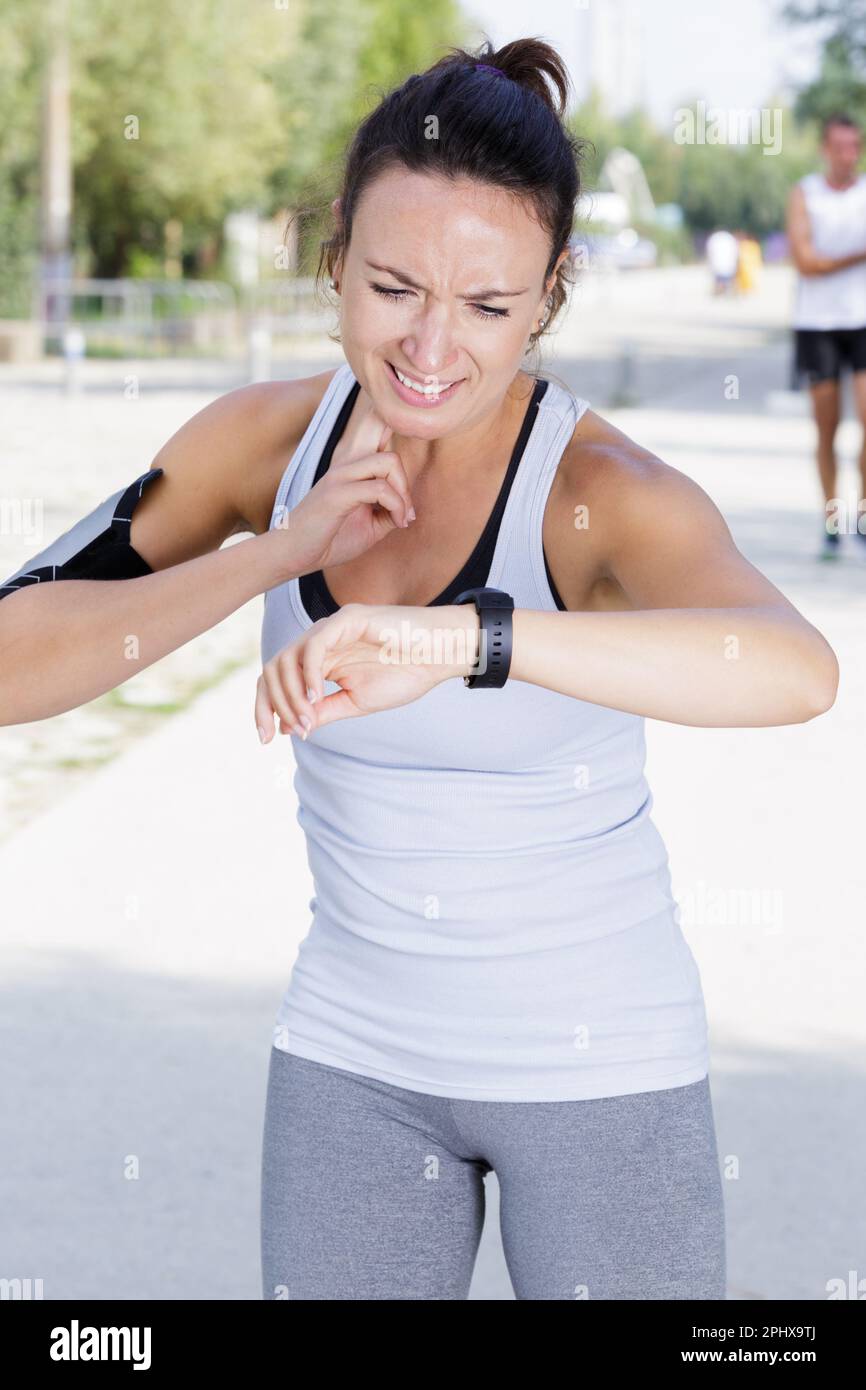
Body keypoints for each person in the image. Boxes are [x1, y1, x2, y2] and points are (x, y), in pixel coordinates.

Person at [0, 38, 839, 1301]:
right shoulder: (265, 443)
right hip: (354, 1061)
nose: (432, 349)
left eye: (490, 307)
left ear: (549, 294)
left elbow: (791, 667)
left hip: (597, 1066)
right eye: (392, 286)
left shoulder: (596, 494)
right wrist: (275, 551)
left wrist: (462, 638)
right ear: (335, 252)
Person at [786, 113, 866, 560]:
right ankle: (833, 520)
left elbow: (822, 258)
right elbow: (806, 261)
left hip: (863, 322)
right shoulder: (806, 194)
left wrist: (835, 258)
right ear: (825, 150)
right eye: (839, 147)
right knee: (827, 430)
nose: (847, 156)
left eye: (854, 147)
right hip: (817, 326)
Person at [705, 227, 739, 295]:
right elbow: (736, 252)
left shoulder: (714, 238)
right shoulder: (730, 237)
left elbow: (710, 252)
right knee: (731, 280)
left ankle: (719, 291)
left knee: (718, 280)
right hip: (730, 265)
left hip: (717, 265)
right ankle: (732, 292)